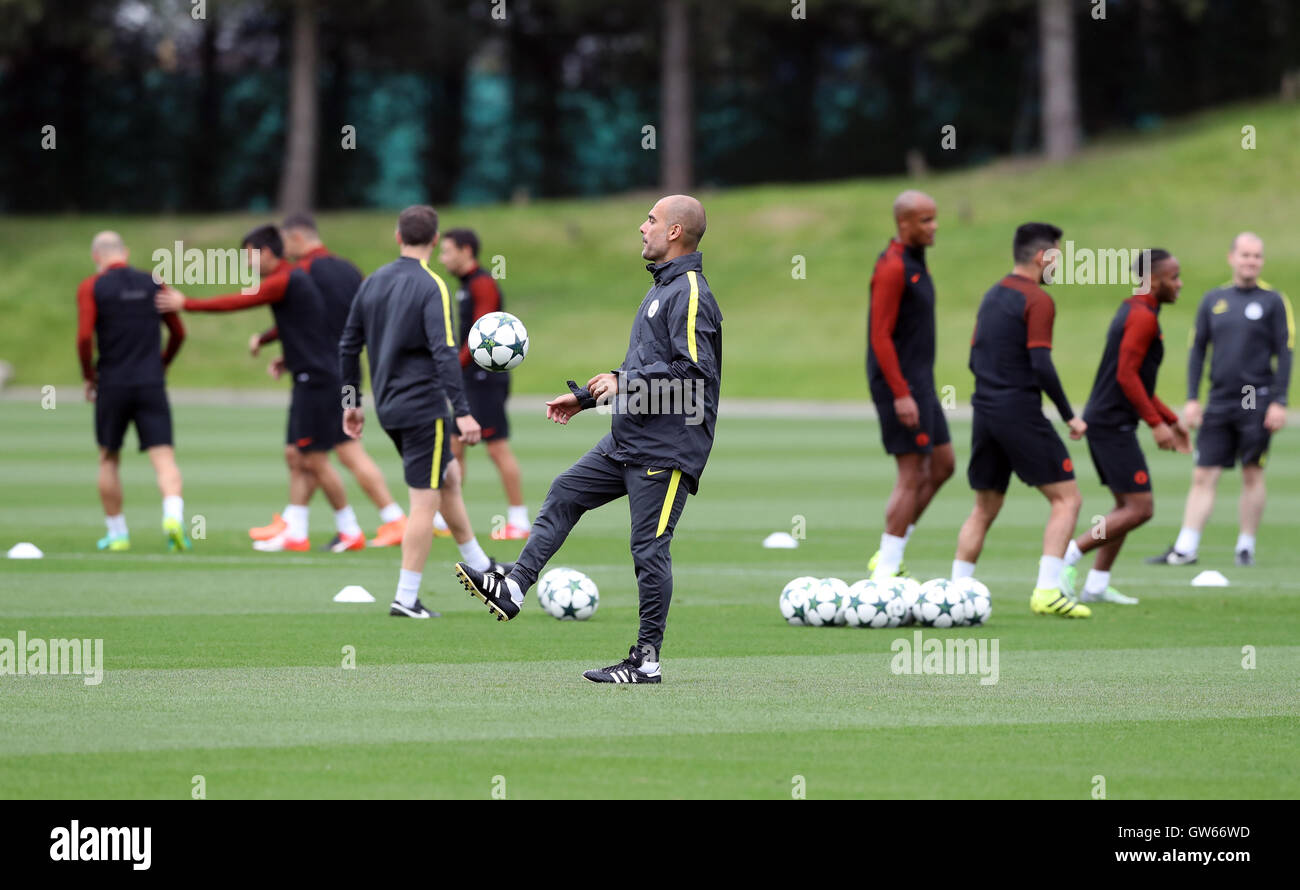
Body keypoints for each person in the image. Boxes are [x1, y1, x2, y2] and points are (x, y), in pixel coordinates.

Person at [454, 195, 722, 684]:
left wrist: (624, 383)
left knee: (648, 549)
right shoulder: (661, 288)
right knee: (564, 492)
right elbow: (647, 369)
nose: (642, 228)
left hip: (666, 449)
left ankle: (647, 661)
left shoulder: (690, 291)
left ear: (677, 231)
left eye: (651, 220)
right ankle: (514, 587)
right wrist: (589, 398)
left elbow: (693, 375)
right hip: (629, 437)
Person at [339, 205, 511, 618]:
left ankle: (482, 567)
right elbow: (445, 353)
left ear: (398, 237)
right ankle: (406, 598)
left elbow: (348, 345)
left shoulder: (373, 281)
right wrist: (464, 412)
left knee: (448, 476)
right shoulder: (433, 285)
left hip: (388, 407)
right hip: (423, 408)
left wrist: (351, 403)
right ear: (435, 241)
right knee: (424, 499)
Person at [156, 225, 365, 553]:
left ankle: (349, 530)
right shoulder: (291, 279)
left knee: (315, 458)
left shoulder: (285, 279)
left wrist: (187, 303)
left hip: (319, 379)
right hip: (308, 375)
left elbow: (239, 301)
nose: (249, 263)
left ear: (267, 252)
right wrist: (286, 354)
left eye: (250, 256)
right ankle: (296, 531)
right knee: (295, 454)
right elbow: (305, 325)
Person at [951, 222, 1091, 618]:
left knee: (985, 506)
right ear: (1041, 257)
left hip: (985, 411)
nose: (1060, 265)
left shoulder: (992, 294)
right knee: (1068, 499)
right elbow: (1041, 365)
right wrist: (1069, 416)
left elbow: (972, 359)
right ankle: (1047, 592)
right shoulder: (1038, 300)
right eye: (1058, 257)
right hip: (1019, 412)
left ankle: (956, 593)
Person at [247, 214, 409, 549]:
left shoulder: (303, 272)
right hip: (349, 371)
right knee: (312, 451)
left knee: (334, 451)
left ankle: (390, 520)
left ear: (294, 238)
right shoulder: (348, 269)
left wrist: (272, 342)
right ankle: (295, 522)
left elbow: (306, 319)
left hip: (324, 373)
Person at [1147, 232, 1293, 567]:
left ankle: (1245, 546)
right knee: (1203, 471)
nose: (1250, 261)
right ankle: (1186, 547)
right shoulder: (1214, 299)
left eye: (1256, 256)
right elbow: (1198, 350)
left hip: (1251, 395)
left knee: (1251, 469)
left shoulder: (1272, 301)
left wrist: (1279, 401)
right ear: (1232, 258)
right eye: (1245, 255)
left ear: (1262, 261)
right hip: (1219, 396)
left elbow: (1285, 353)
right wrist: (1192, 398)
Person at [1060, 250, 1190, 603]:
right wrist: (1156, 425)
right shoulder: (1142, 318)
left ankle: (1097, 585)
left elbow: (1140, 383)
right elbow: (1126, 376)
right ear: (1154, 280)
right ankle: (1065, 558)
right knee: (1140, 508)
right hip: (1111, 424)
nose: (1180, 284)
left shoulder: (1135, 309)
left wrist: (1171, 420)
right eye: (1174, 277)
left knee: (1124, 510)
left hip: (1110, 420)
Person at [76, 231, 190, 552]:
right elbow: (179, 332)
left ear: (96, 256)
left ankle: (117, 534)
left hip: (112, 383)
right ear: (124, 252)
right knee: (164, 457)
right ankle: (173, 517)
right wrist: (162, 363)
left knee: (109, 458)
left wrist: (89, 376)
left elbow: (85, 338)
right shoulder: (154, 282)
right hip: (151, 382)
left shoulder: (92, 286)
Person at [866, 190, 954, 581]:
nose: (934, 227)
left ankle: (894, 544)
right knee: (912, 472)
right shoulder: (892, 267)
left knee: (943, 464)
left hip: (921, 382)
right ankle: (885, 570)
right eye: (926, 221)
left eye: (934, 218)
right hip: (897, 385)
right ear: (904, 224)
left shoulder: (918, 261)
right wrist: (901, 393)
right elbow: (880, 335)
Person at [435, 227, 531, 541]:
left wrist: (451, 366)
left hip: (485, 378)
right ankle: (449, 516)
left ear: (466, 250)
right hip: (469, 377)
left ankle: (518, 520)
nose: (443, 258)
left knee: (496, 447)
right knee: (455, 445)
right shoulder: (465, 286)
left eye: (447, 251)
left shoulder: (482, 284)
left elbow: (484, 340)